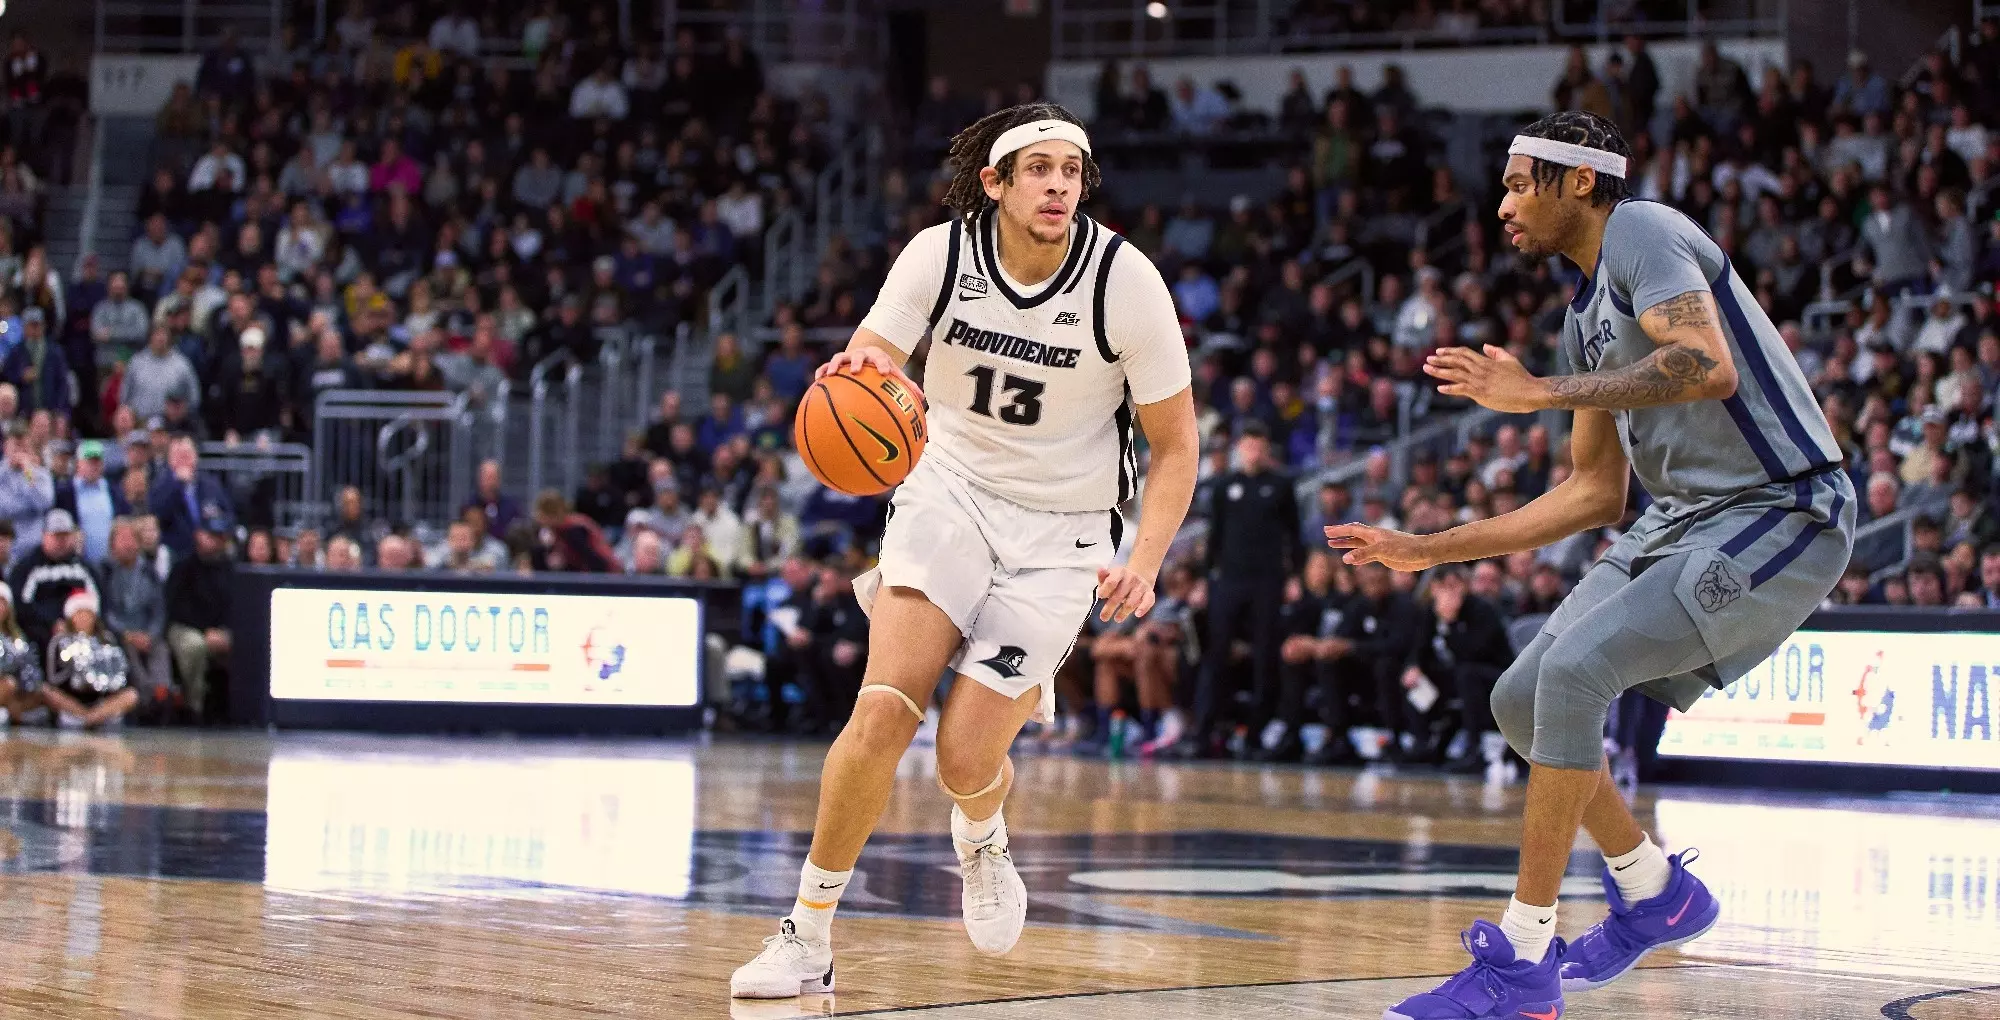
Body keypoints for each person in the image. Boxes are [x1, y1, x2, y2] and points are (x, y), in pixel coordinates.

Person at [1332, 111, 1854, 1020]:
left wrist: (1540, 393)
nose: (1500, 205)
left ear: (1579, 181)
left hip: (1785, 507)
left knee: (1575, 674)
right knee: (1518, 696)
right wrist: (1429, 547)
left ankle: (1523, 965)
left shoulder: (1643, 230)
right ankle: (1656, 893)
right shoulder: (1582, 317)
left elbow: (1706, 364)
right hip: (1683, 519)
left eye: (1516, 182)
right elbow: (1590, 497)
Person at [730, 102, 1197, 1000]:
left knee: (963, 759)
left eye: (1072, 169)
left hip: (1064, 531)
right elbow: (875, 349)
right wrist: (854, 373)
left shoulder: (1124, 280)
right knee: (883, 709)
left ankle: (981, 834)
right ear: (996, 182)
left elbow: (1177, 444)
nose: (1059, 184)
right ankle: (807, 932)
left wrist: (1146, 559)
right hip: (947, 494)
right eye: (1039, 168)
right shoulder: (939, 255)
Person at [165, 511, 234, 722]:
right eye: (211, 535)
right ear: (199, 535)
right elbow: (175, 607)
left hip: (220, 629)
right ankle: (194, 706)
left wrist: (225, 631)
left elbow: (236, 606)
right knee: (194, 645)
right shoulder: (183, 566)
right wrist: (205, 631)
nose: (216, 541)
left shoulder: (231, 569)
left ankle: (238, 708)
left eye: (221, 536)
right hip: (185, 627)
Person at [41, 591, 138, 730]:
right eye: (79, 613)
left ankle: (92, 718)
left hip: (102, 699)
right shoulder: (59, 641)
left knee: (131, 695)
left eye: (87, 614)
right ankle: (85, 717)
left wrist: (99, 678)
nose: (83, 618)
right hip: (72, 700)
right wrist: (74, 670)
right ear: (71, 617)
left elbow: (120, 674)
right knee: (46, 691)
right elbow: (52, 679)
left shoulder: (107, 640)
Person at [103, 518, 172, 708]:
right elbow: (105, 611)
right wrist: (126, 634)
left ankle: (162, 697)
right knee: (127, 651)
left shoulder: (150, 573)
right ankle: (144, 700)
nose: (128, 544)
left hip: (146, 631)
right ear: (112, 543)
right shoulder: (104, 571)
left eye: (132, 538)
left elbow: (159, 611)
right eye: (122, 539)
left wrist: (150, 635)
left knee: (160, 649)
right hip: (119, 634)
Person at [8, 509, 101, 650]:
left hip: (80, 632)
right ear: (44, 536)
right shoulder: (26, 568)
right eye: (56, 536)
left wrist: (72, 624)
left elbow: (98, 601)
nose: (61, 542)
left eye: (65, 536)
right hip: (40, 636)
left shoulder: (84, 568)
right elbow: (22, 606)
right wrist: (51, 624)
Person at [55, 441, 129, 565]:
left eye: (98, 461)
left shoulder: (113, 490)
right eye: (90, 461)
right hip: (76, 562)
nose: (94, 466)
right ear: (78, 463)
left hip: (110, 563)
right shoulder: (65, 492)